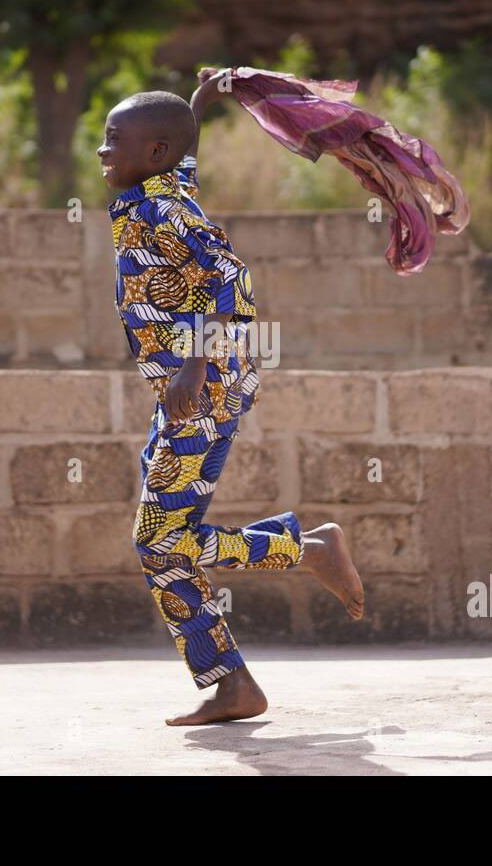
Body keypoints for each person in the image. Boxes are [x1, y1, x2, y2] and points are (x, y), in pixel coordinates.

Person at [98, 67, 365, 725]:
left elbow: (233, 279)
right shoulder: (160, 187)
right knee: (168, 540)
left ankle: (308, 551)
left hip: (203, 391)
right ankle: (232, 683)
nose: (103, 152)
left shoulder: (164, 208)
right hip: (197, 396)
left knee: (159, 543)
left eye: (114, 140)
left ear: (150, 154)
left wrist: (192, 364)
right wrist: (202, 101)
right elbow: (182, 155)